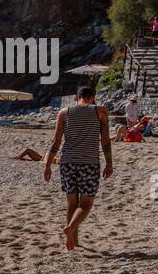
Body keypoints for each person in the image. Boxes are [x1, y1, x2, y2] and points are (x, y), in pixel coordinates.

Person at [44, 85, 112, 251]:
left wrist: (47, 165)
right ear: (93, 97)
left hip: (67, 163)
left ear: (77, 97)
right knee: (86, 202)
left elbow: (56, 142)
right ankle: (71, 228)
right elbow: (105, 140)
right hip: (89, 162)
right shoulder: (100, 111)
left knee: (71, 201)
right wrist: (109, 163)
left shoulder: (64, 113)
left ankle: (74, 240)